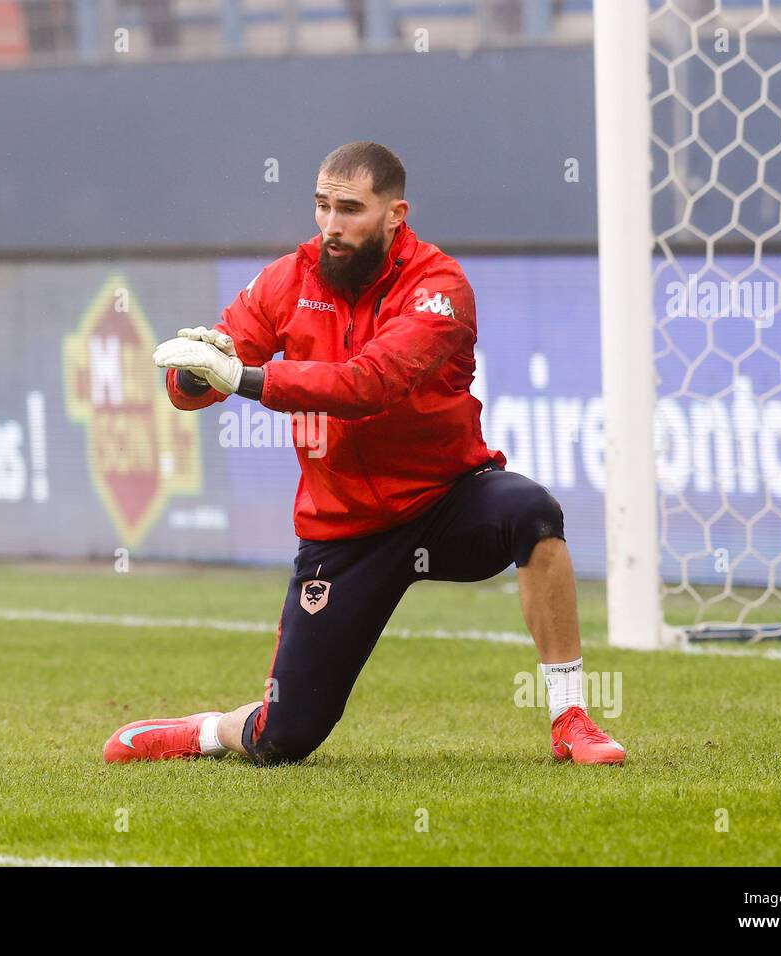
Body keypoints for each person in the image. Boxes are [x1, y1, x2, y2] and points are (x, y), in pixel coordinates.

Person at [105, 141, 625, 767]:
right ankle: (203, 733)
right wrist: (193, 373)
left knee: (533, 514)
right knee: (284, 739)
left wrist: (241, 378)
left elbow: (369, 384)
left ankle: (571, 717)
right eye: (321, 206)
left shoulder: (439, 287)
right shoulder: (286, 279)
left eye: (349, 209)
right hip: (344, 528)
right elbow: (195, 382)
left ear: (395, 215)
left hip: (448, 500)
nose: (330, 225)